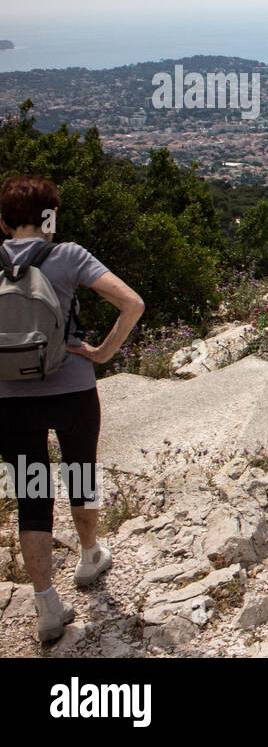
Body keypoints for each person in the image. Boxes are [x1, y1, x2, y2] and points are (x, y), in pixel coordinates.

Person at [0, 175, 144, 643]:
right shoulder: (69, 256)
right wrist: (102, 353)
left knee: (32, 499)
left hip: (10, 398)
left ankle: (46, 605)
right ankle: (88, 556)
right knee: (80, 473)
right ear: (51, 218)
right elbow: (132, 303)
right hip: (72, 387)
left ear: (3, 221)